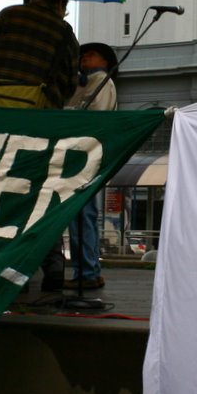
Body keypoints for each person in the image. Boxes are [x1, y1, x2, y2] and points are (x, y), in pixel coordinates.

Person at [49, 42, 120, 291]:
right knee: (80, 216)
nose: (84, 59)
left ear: (104, 60)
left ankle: (87, 271)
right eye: (83, 55)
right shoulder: (83, 83)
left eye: (90, 55)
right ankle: (85, 269)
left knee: (83, 215)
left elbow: (96, 118)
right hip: (77, 155)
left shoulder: (102, 81)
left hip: (86, 155)